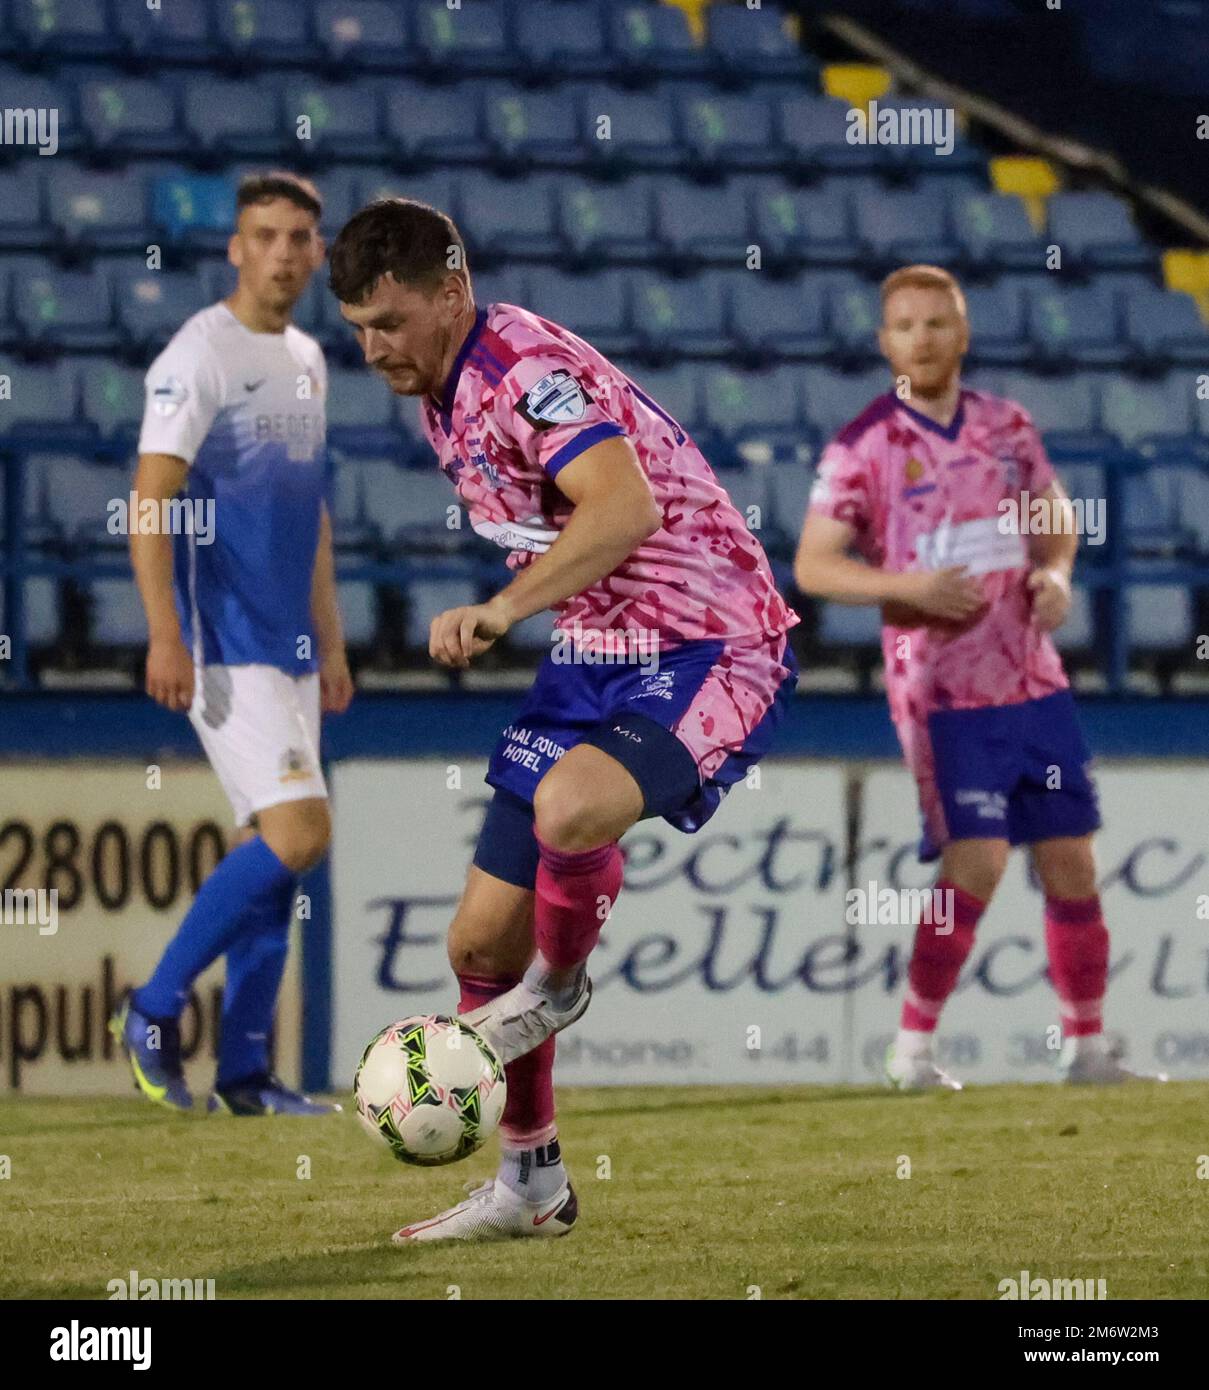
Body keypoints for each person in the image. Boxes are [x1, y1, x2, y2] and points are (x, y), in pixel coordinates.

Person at [329, 197, 800, 1241]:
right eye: (358, 328)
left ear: (451, 292)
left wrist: (502, 608)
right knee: (478, 935)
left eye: (390, 322)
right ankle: (532, 1184)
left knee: (573, 806)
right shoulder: (438, 390)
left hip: (709, 640)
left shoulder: (522, 371)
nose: (373, 348)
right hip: (594, 654)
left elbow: (623, 506)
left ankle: (559, 984)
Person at [795, 263, 1160, 1091]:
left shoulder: (1004, 424)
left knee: (1070, 858)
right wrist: (905, 588)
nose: (921, 338)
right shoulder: (864, 445)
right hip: (942, 689)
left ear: (961, 334)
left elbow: (1052, 513)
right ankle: (911, 1052)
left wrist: (1057, 574)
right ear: (884, 341)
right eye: (905, 326)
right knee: (980, 861)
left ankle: (1087, 1049)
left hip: (1032, 674)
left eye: (936, 323)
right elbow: (814, 567)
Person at [112, 172, 353, 1116]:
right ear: (234, 248)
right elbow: (149, 500)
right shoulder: (197, 355)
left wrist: (330, 642)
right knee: (302, 832)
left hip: (289, 647)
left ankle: (246, 1075)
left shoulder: (305, 356)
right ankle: (154, 1004)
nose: (285, 252)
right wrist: (165, 632)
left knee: (276, 848)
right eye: (266, 235)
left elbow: (313, 514)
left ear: (318, 250)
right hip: (224, 641)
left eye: (300, 236)